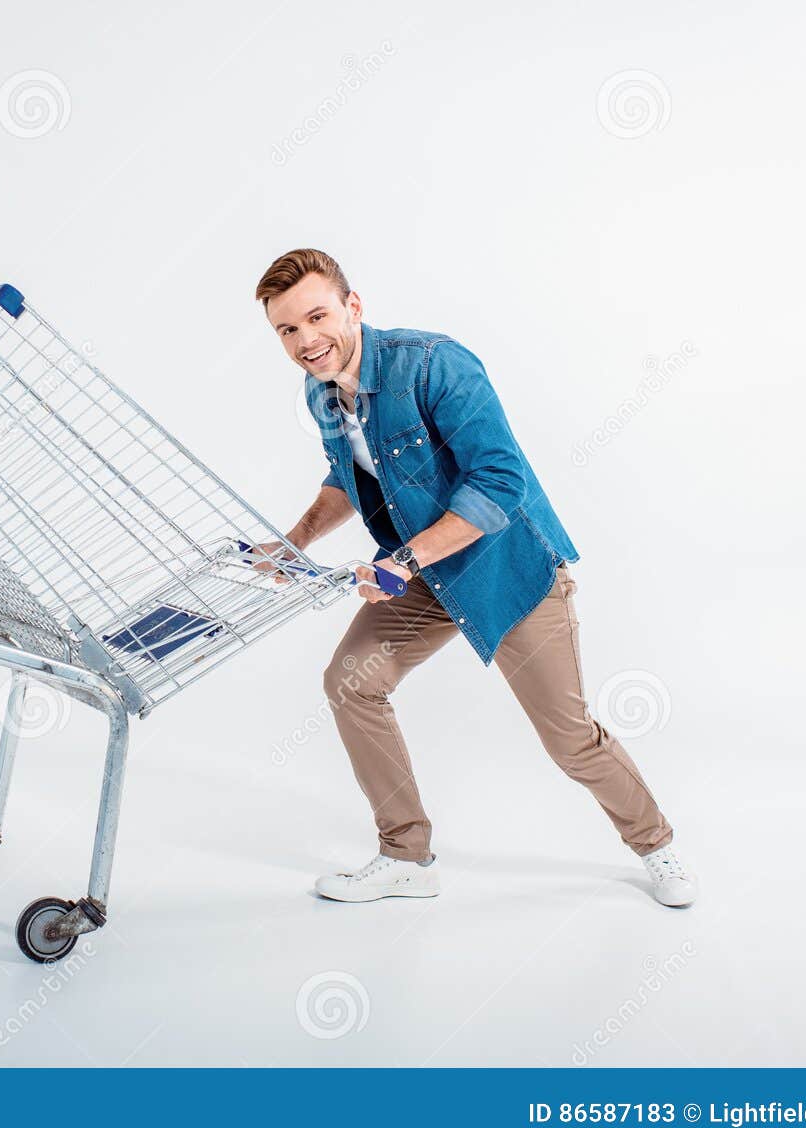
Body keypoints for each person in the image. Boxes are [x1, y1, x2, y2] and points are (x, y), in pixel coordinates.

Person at [251, 248, 695, 907]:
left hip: (506, 569)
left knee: (569, 739)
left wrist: (400, 562)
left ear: (354, 306)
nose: (306, 341)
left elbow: (498, 482)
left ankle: (657, 847)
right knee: (351, 682)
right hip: (424, 572)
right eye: (287, 329)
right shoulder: (322, 398)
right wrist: (293, 542)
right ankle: (407, 857)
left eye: (317, 317)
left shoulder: (434, 363)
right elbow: (347, 478)